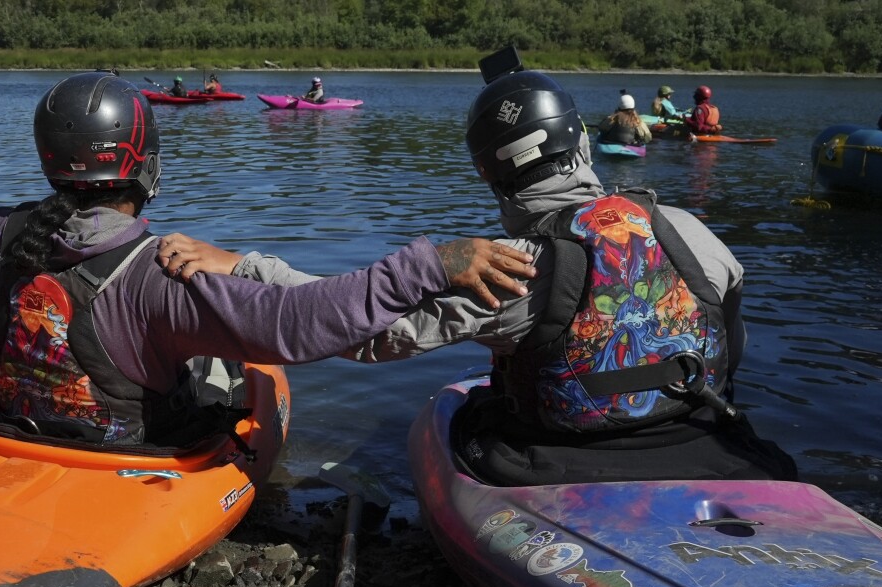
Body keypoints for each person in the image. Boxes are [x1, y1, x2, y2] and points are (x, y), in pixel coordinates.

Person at [163, 56, 796, 486]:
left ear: (490, 174)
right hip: (701, 429)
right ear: (578, 140)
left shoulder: (508, 269)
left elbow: (364, 333)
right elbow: (728, 344)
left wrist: (246, 267)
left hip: (563, 457)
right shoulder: (691, 230)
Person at [0, 71, 533, 446]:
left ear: (48, 158)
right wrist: (430, 263)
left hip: (7, 432)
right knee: (222, 364)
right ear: (148, 169)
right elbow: (300, 326)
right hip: (116, 459)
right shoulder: (163, 277)